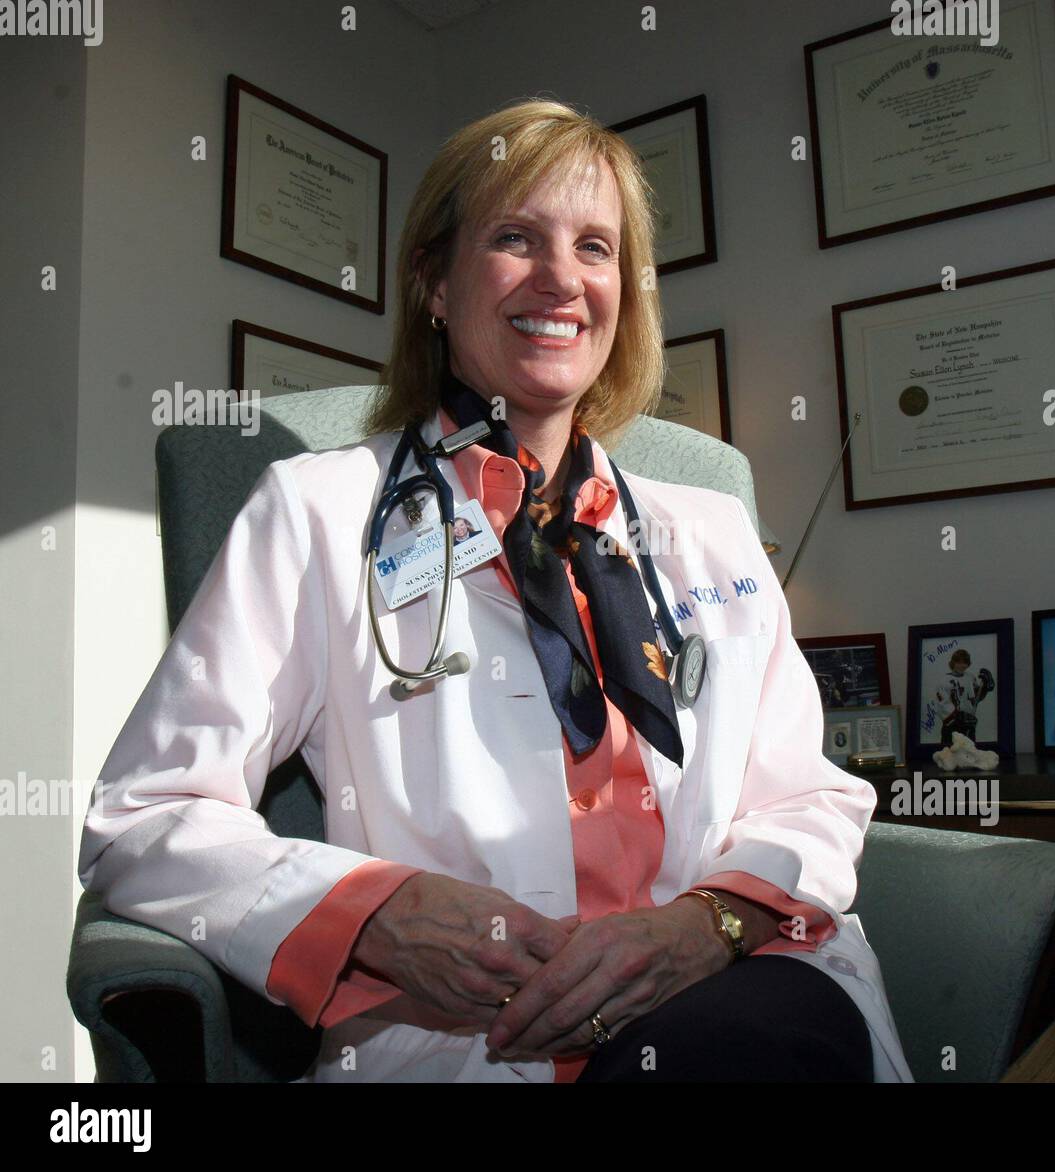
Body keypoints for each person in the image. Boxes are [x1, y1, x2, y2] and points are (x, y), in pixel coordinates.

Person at [77, 98, 911, 1083]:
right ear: (433, 280)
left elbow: (807, 794)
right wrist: (378, 912)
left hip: (735, 990)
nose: (562, 278)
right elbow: (145, 813)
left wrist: (706, 921)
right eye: (516, 238)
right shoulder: (314, 514)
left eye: (594, 247)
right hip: (468, 1036)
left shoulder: (709, 531)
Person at [933, 648, 993, 748]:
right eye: (958, 662)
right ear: (953, 663)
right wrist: (958, 717)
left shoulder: (970, 677)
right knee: (950, 754)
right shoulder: (944, 681)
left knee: (970, 753)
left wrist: (985, 687)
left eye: (965, 662)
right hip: (952, 726)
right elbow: (942, 705)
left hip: (969, 724)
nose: (962, 665)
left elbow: (976, 698)